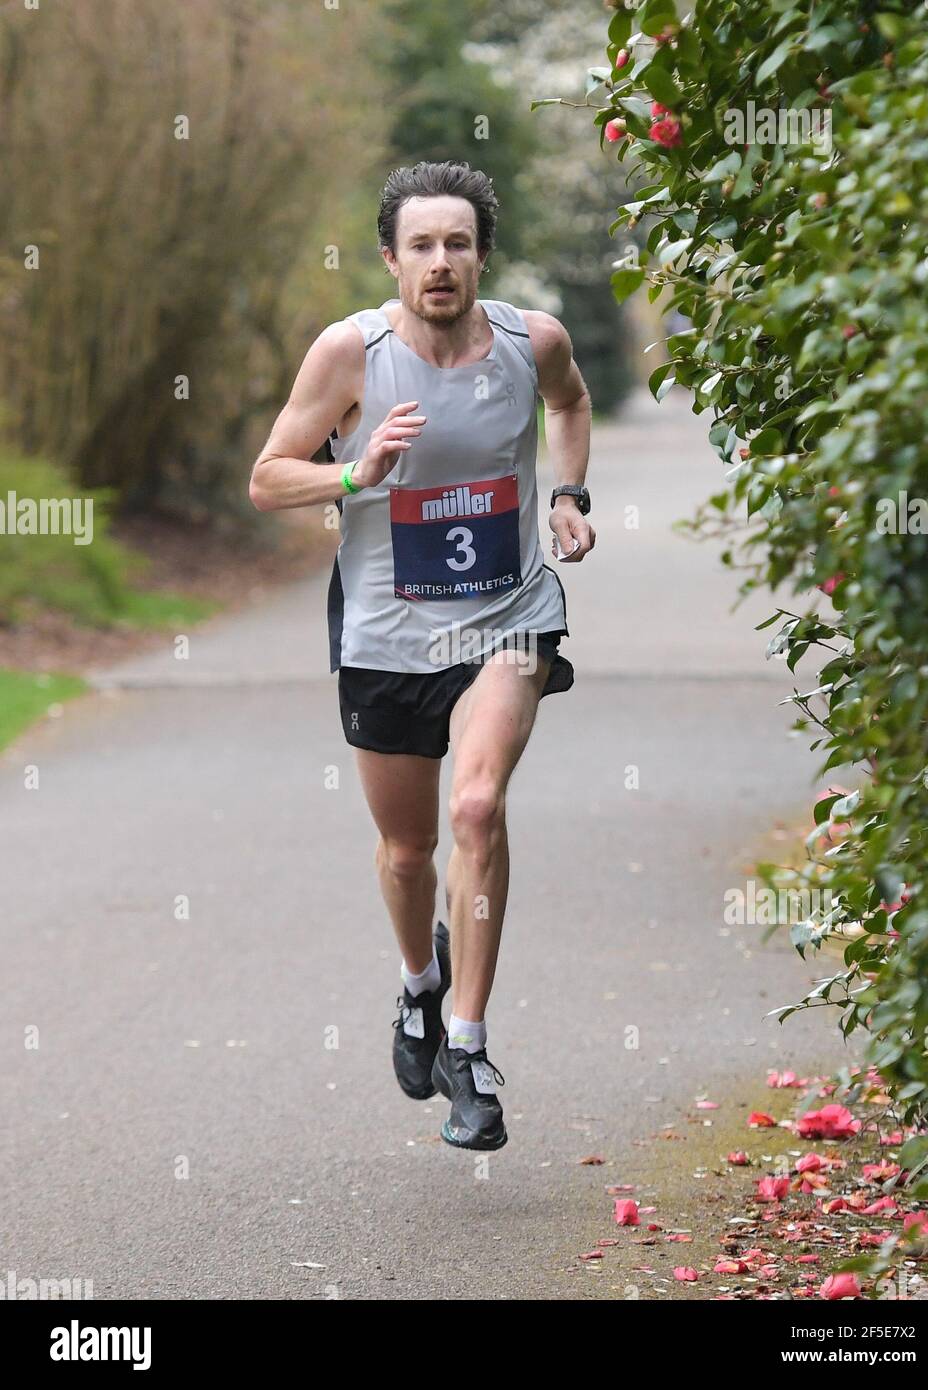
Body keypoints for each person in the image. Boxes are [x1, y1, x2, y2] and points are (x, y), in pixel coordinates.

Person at [250, 159, 594, 1150]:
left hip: (506, 618)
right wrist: (357, 469)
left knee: (478, 805)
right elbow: (269, 480)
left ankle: (469, 1046)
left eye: (458, 243)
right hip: (387, 631)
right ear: (391, 261)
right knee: (409, 852)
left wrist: (568, 497)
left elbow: (570, 407)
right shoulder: (348, 355)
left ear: (483, 253)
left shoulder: (536, 344)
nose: (440, 262)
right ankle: (418, 985)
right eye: (421, 246)